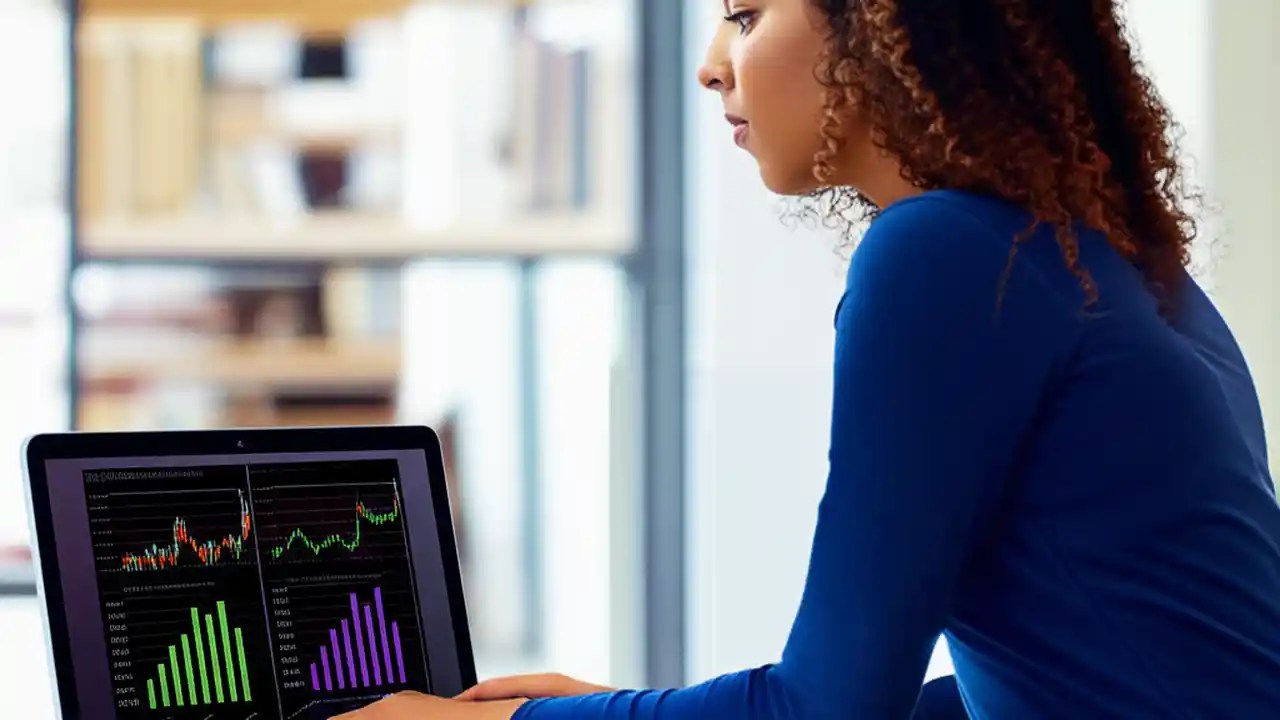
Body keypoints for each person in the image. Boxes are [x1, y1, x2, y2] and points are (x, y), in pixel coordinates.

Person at [336, 0, 1280, 717]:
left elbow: (830, 709)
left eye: (746, 15)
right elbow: (1059, 680)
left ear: (879, 25)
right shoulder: (1102, 255)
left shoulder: (944, 255)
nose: (712, 68)